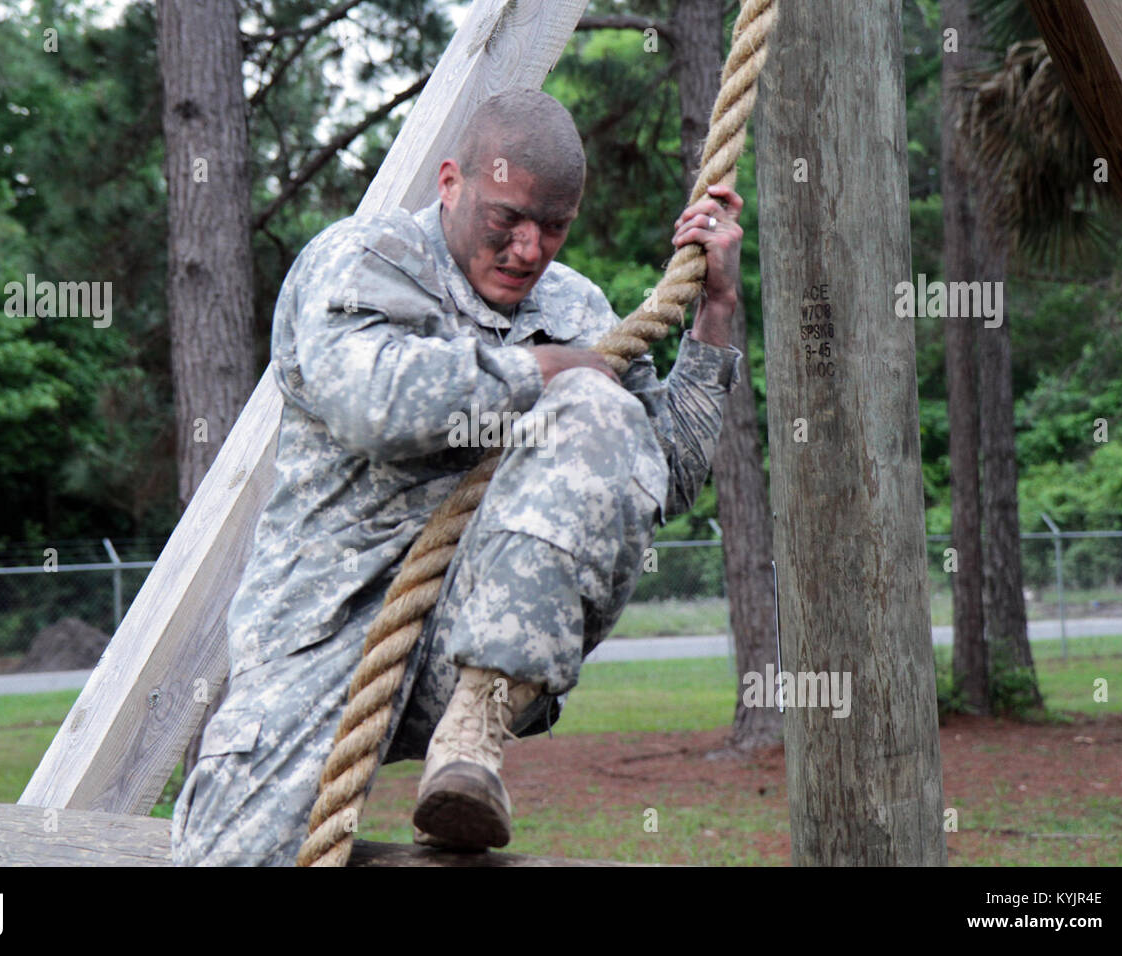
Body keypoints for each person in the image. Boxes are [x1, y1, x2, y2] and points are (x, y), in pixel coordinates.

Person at [171, 88, 744, 865]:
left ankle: (474, 732)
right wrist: (536, 371)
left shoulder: (578, 308)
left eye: (555, 226)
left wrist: (715, 309)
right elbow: (372, 402)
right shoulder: (364, 260)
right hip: (322, 636)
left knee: (596, 405)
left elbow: (661, 475)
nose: (530, 249)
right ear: (451, 184)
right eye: (508, 218)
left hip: (477, 643)